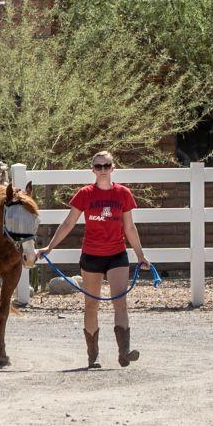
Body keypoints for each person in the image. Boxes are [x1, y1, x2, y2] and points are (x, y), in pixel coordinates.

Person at [37, 151, 151, 368]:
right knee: (91, 305)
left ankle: (124, 352)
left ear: (113, 168)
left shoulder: (123, 194)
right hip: (91, 255)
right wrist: (50, 247)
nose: (102, 170)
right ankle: (93, 355)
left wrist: (140, 255)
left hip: (117, 254)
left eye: (106, 165)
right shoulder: (85, 194)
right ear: (92, 170)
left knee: (121, 303)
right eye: (98, 166)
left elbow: (129, 227)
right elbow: (68, 223)